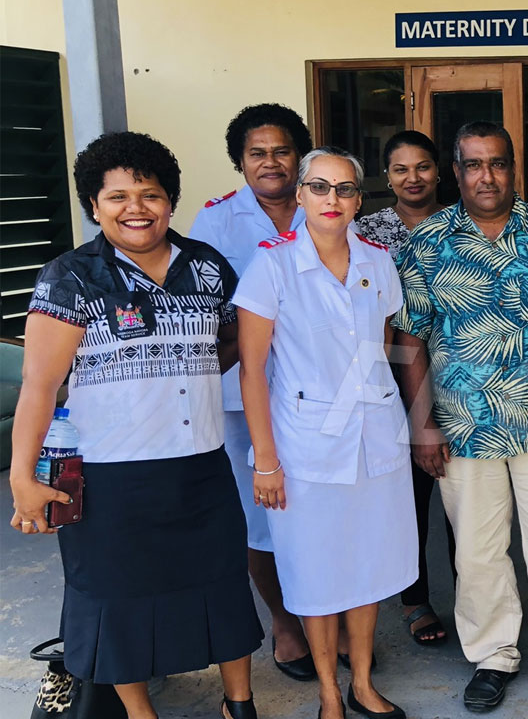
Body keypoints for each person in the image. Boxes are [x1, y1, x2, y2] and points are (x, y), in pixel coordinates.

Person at [10, 131, 262, 719]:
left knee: (220, 584)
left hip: (200, 464)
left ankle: (239, 703)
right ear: (94, 206)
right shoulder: (72, 277)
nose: (136, 208)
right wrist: (23, 476)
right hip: (110, 473)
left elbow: (230, 339)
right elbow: (40, 386)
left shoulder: (205, 266)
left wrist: (188, 365)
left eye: (149, 193)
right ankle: (139, 712)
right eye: (117, 196)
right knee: (117, 599)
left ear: (170, 200)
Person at [393, 121, 528, 719]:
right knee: (477, 553)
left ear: (515, 169)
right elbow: (408, 343)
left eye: (497, 164)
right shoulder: (425, 242)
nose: (485, 176)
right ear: (455, 171)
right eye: (472, 164)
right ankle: (493, 656)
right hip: (462, 427)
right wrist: (421, 425)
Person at [235, 147, 416, 719]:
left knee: (368, 564)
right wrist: (265, 459)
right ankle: (329, 693)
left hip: (374, 436)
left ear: (359, 200)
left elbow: (380, 346)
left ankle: (361, 682)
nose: (331, 199)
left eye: (343, 189)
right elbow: (252, 371)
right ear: (301, 195)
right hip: (303, 445)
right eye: (319, 188)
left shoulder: (378, 261)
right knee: (316, 570)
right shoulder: (272, 265)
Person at [187, 102, 314, 681]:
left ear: (299, 156)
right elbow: (201, 312)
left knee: (317, 513)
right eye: (257, 153)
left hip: (319, 392)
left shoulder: (327, 206)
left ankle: (323, 620)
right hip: (245, 393)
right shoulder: (216, 223)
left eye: (281, 150)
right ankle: (286, 625)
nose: (270, 162)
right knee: (260, 515)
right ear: (241, 161)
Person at [356, 129, 454, 647]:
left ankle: (474, 597)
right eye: (400, 169)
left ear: (439, 171)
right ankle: (416, 600)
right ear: (387, 176)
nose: (412, 178)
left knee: (466, 501)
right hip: (390, 376)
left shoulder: (463, 224)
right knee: (408, 498)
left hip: (463, 375)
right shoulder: (364, 230)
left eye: (422, 167)